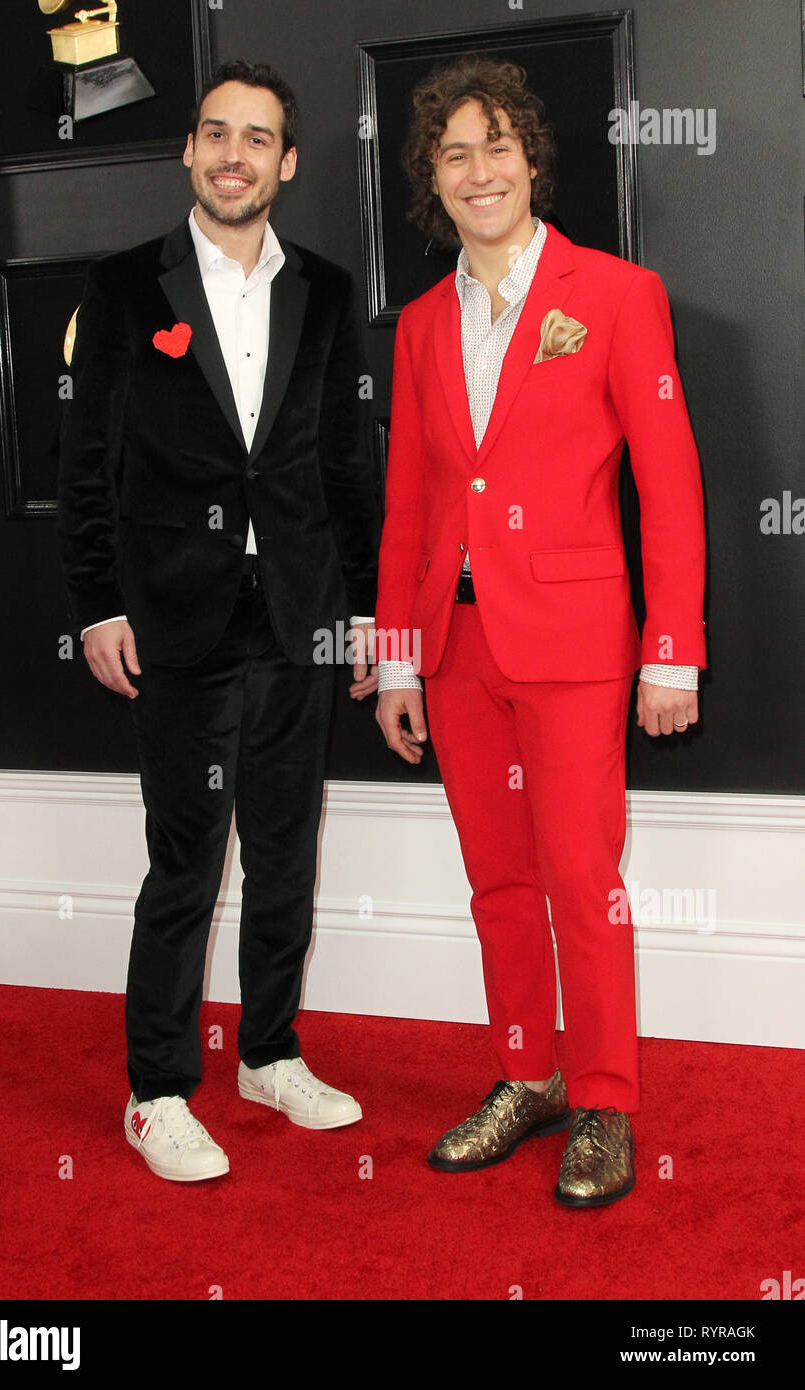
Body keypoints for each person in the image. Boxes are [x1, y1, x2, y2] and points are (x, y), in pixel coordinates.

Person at [375, 56, 706, 1207]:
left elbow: (668, 481)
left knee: (580, 875)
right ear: (433, 177)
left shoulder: (614, 294)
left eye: (497, 146)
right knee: (497, 881)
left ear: (531, 161)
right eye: (454, 152)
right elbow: (408, 506)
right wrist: (394, 660)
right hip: (455, 648)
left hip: (573, 641)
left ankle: (606, 1100)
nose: (479, 170)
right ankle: (528, 1074)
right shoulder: (419, 325)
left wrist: (673, 645)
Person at [58, 60, 380, 1183]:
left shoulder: (328, 293)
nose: (234, 154)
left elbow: (346, 466)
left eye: (258, 138)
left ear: (287, 163)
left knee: (287, 851)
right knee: (187, 862)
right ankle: (156, 1089)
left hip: (298, 614)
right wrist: (96, 600)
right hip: (175, 620)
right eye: (215, 134)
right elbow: (85, 463)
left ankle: (271, 1051)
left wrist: (368, 615)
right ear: (188, 151)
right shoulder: (124, 287)